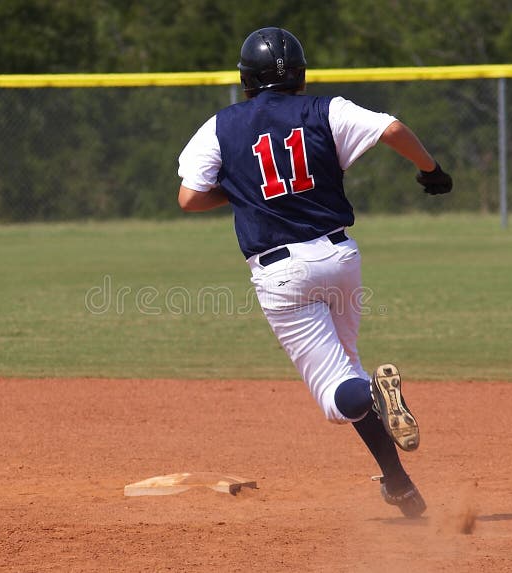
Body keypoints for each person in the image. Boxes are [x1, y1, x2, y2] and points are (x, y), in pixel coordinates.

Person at [176, 27, 452, 518]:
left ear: (245, 79)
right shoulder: (326, 110)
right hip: (341, 259)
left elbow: (189, 197)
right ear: (301, 76)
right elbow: (391, 129)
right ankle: (400, 485)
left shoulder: (221, 126)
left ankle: (375, 393)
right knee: (347, 370)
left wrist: (244, 192)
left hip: (283, 274)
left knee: (337, 397)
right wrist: (430, 170)